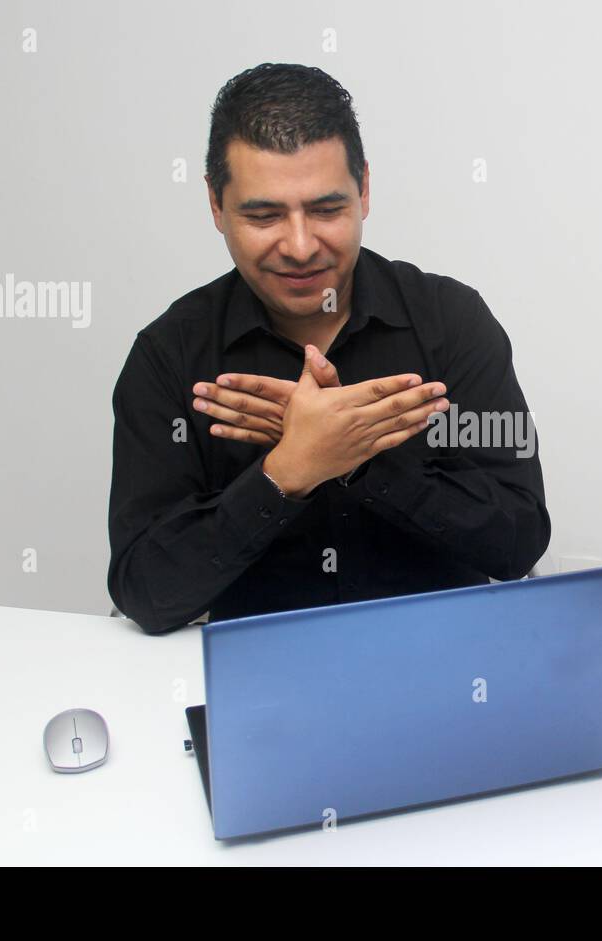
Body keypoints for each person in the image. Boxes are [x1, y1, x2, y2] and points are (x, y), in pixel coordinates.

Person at [106, 63, 551, 635]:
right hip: (260, 681)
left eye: (325, 209)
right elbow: (146, 591)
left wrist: (359, 458)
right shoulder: (169, 356)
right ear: (216, 207)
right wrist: (285, 472)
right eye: (263, 215)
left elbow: (517, 542)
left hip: (443, 669)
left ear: (363, 190)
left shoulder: (452, 322)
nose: (299, 246)